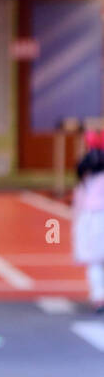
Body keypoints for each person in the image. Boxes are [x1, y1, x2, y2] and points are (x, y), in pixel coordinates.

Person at [72, 131, 104, 313]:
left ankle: (99, 297)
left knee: (95, 262)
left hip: (91, 219)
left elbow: (78, 204)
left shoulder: (85, 178)